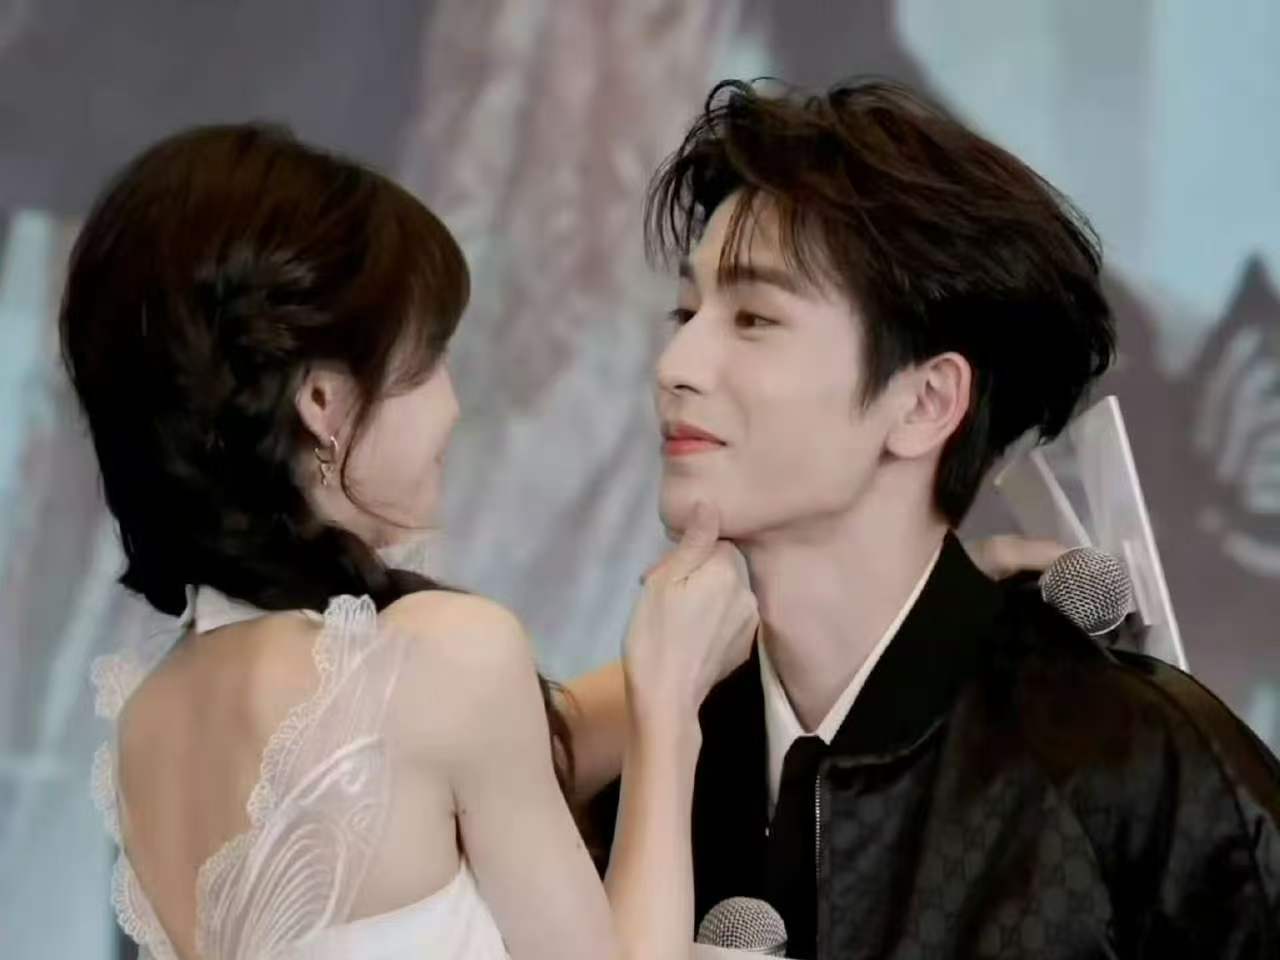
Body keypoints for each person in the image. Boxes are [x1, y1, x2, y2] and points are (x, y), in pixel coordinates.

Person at [592, 78, 1280, 958]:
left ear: (925, 403)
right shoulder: (654, 772)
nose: (676, 364)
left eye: (754, 318)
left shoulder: (1130, 766)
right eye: (686, 313)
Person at [65, 123, 760, 960]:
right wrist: (671, 715)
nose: (452, 405)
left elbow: (518, 748)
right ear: (322, 401)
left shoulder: (148, 722)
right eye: (428, 361)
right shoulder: (441, 658)